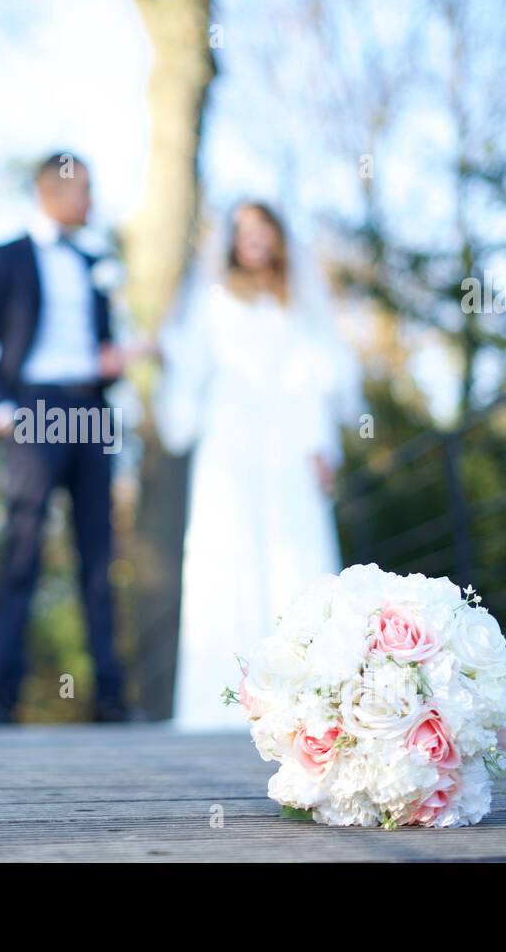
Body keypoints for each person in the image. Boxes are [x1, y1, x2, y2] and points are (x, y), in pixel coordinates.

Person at [154, 201, 364, 731]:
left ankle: (306, 703)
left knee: (298, 557)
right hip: (228, 442)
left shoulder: (298, 304)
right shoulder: (212, 299)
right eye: (243, 230)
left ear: (276, 236)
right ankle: (221, 703)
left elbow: (316, 379)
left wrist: (321, 448)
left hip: (287, 445)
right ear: (231, 240)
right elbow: (188, 366)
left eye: (262, 228)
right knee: (228, 556)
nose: (253, 238)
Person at [0, 152, 139, 725]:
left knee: (97, 556)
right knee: (23, 552)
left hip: (90, 405)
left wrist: (117, 362)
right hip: (33, 409)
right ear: (49, 192)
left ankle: (109, 699)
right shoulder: (6, 257)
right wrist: (1, 409)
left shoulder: (95, 263)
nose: (90, 200)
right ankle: (1, 699)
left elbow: (103, 345)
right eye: (82, 189)